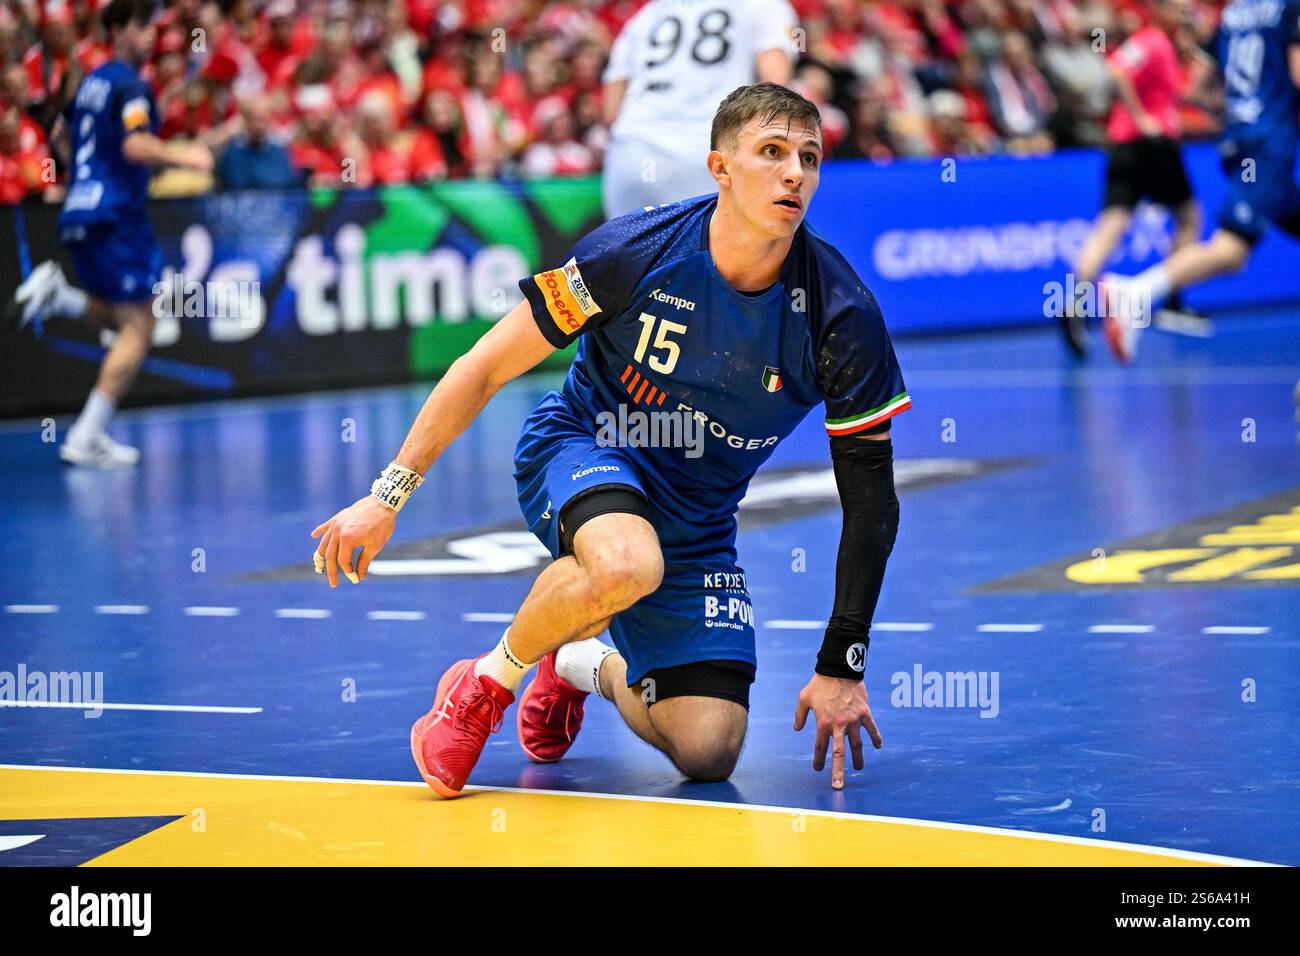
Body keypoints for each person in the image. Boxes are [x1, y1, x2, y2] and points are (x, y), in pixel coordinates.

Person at [311, 83, 910, 796]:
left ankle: (575, 665)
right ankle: (484, 683)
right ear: (720, 167)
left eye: (809, 158)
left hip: (698, 516)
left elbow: (872, 502)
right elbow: (484, 365)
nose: (794, 174)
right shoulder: (636, 251)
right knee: (626, 563)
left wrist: (842, 662)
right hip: (585, 446)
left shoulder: (842, 316)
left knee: (708, 747)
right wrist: (389, 494)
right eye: (772, 153)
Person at [5, 0, 212, 467]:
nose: (149, 40)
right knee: (141, 326)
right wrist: (188, 155)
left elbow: (64, 139)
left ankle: (58, 297)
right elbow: (136, 144)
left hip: (81, 210)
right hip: (117, 214)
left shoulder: (90, 84)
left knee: (124, 324)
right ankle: (86, 434)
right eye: (140, 30)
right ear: (116, 32)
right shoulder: (130, 85)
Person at [1104, 0, 1300, 363]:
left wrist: (1242, 114)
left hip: (1238, 141)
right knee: (1230, 250)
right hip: (1269, 147)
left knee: (1234, 254)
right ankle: (1135, 293)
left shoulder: (1232, 13)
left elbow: (1196, 90)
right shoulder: (1290, 8)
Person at [1064, 0, 1202, 358]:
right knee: (1189, 217)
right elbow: (1118, 71)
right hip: (1151, 147)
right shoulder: (1152, 39)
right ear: (1160, 11)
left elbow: (1172, 95)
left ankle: (1075, 306)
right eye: (1179, 10)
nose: (1186, 15)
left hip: (1124, 147)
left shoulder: (1167, 49)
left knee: (1110, 227)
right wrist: (1142, 119)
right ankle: (1172, 298)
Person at [601, 0, 798, 218]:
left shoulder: (648, 14)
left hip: (630, 153)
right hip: (703, 153)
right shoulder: (763, 5)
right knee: (716, 251)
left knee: (630, 251)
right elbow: (774, 86)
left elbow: (611, 108)